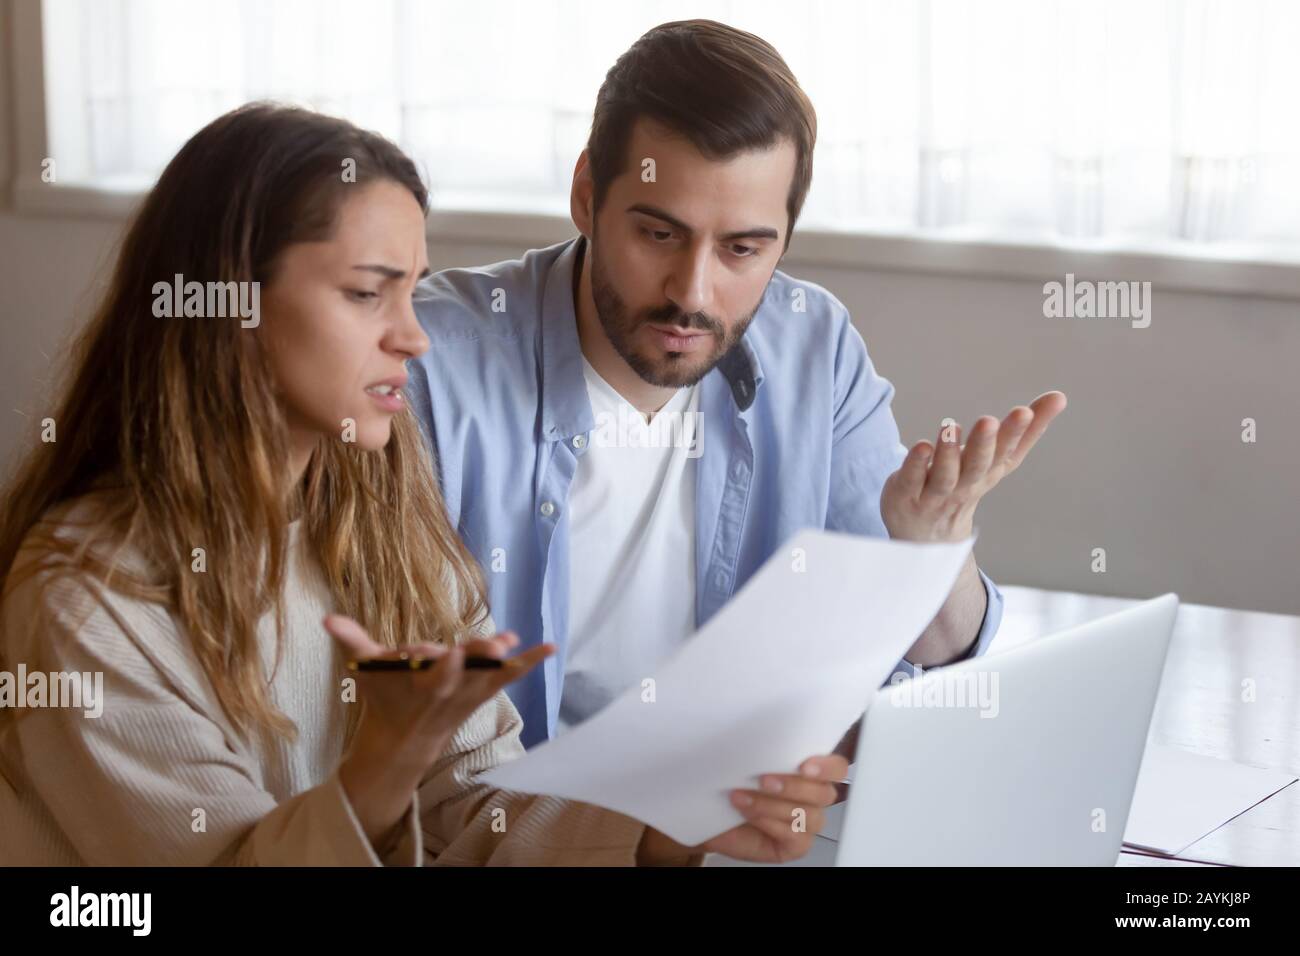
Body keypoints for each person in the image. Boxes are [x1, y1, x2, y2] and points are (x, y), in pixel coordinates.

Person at [0, 103, 846, 866]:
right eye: (369, 294)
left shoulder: (378, 508)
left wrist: (666, 831)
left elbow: (476, 805)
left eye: (411, 293)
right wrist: (377, 776)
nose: (413, 337)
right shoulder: (89, 603)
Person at [407, 19, 1067, 748]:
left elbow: (921, 673)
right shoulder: (429, 367)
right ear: (588, 195)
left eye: (742, 249)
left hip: (737, 830)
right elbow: (404, 737)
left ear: (785, 237)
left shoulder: (815, 346)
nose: (692, 293)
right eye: (659, 234)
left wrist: (934, 551)